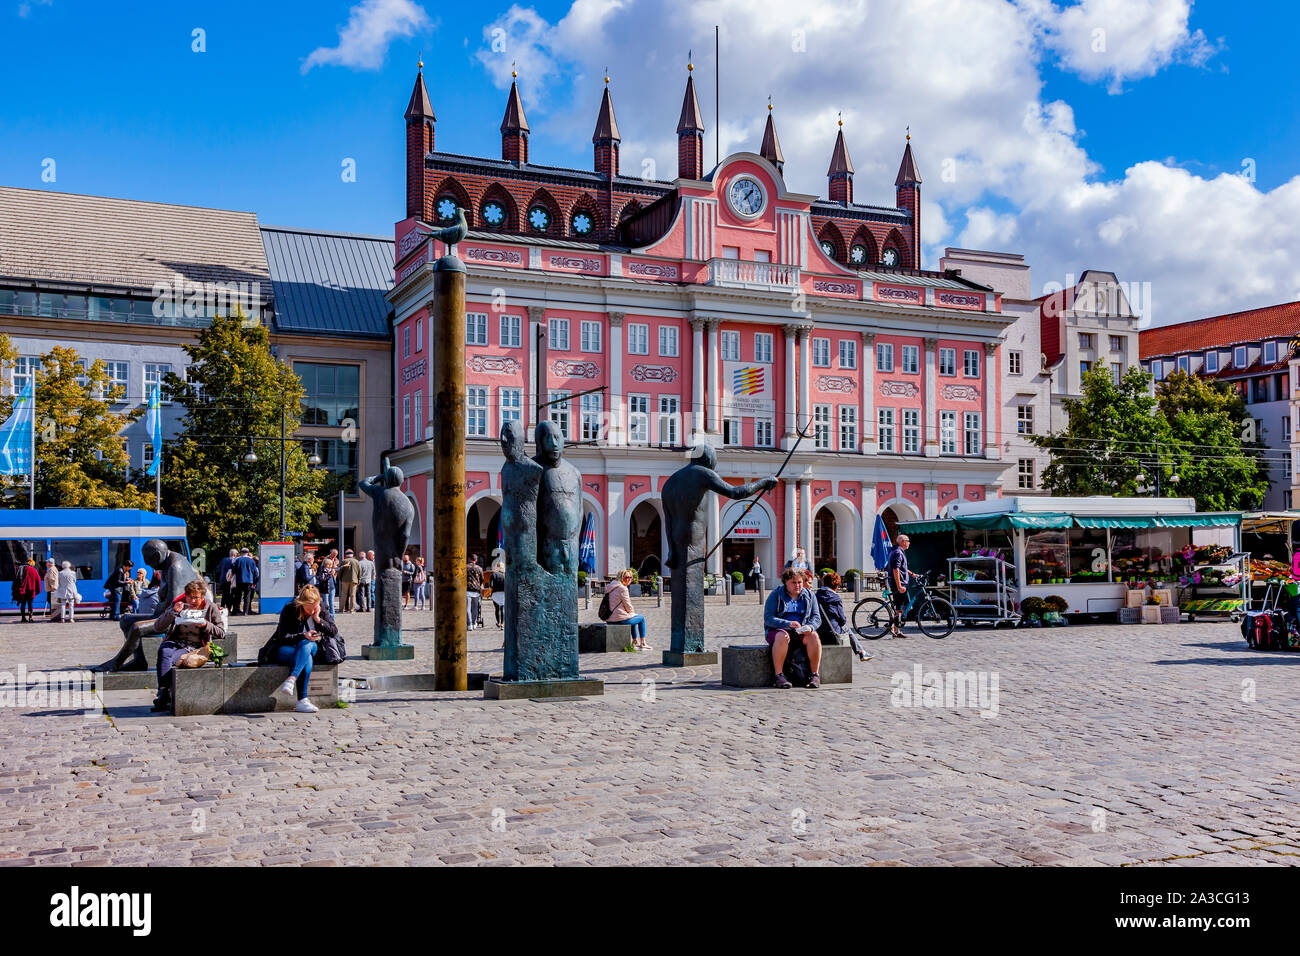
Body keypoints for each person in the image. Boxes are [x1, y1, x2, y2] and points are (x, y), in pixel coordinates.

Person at [150, 579, 225, 713]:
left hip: (196, 646)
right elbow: (157, 627)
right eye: (189, 597)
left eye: (196, 598)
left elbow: (221, 632)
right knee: (164, 651)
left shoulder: (210, 607)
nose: (192, 601)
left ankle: (166, 694)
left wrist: (206, 625)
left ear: (202, 597)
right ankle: (163, 692)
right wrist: (172, 612)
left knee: (171, 658)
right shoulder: (178, 604)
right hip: (176, 642)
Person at [260, 585, 336, 714]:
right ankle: (302, 701)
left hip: (312, 647)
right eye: (309, 609)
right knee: (307, 657)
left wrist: (318, 619)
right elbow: (282, 637)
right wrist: (303, 635)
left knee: (307, 645)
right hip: (286, 649)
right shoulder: (290, 609)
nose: (312, 611)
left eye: (314, 607)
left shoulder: (321, 608)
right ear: (301, 604)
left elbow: (333, 631)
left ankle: (291, 679)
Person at [763, 566, 823, 689]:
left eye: (800, 582)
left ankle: (814, 675)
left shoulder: (809, 595)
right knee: (782, 636)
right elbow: (768, 618)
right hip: (779, 631)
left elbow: (817, 617)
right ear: (786, 582)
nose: (797, 585)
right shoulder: (776, 595)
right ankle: (779, 675)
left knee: (814, 636)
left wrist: (810, 627)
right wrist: (787, 624)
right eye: (793, 583)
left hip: (801, 631)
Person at [814, 571, 871, 662]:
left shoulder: (815, 596)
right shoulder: (835, 598)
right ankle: (861, 652)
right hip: (832, 633)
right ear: (836, 586)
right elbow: (842, 620)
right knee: (845, 628)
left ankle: (861, 652)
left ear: (823, 583)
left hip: (818, 631)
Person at [604, 569, 648, 650]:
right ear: (621, 577)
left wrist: (631, 613)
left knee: (632, 616)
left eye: (630, 577)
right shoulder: (623, 588)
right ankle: (643, 642)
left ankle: (635, 641)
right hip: (619, 619)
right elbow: (628, 605)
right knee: (641, 618)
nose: (629, 579)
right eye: (627, 577)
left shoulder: (610, 587)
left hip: (609, 618)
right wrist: (631, 611)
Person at [886, 534, 918, 637]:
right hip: (898, 584)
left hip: (900, 583)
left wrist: (912, 574)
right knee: (906, 605)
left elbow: (902, 568)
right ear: (903, 542)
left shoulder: (897, 551)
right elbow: (895, 569)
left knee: (899, 607)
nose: (909, 543)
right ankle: (892, 624)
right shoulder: (898, 553)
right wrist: (899, 586)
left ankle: (896, 630)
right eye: (908, 541)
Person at [12, 557, 42, 623]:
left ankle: (23, 618)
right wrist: (37, 590)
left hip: (22, 590)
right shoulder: (33, 570)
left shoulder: (20, 569)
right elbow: (38, 580)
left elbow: (16, 579)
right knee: (30, 604)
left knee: (23, 604)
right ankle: (30, 618)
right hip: (31, 591)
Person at [231, 547, 259, 616]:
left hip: (239, 580)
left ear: (241, 553)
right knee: (247, 596)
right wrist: (255, 581)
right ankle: (245, 612)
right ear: (247, 552)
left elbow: (233, 570)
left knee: (238, 596)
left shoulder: (238, 560)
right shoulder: (251, 560)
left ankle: (236, 611)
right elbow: (255, 572)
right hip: (249, 581)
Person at [465, 554, 483, 628]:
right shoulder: (479, 568)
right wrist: (479, 585)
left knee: (467, 608)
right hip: (476, 590)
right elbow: (482, 579)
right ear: (476, 560)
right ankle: (474, 623)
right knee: (475, 608)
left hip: (467, 589)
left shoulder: (465, 567)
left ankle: (469, 624)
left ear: (469, 559)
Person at [487, 559, 505, 628]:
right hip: (503, 593)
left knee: (497, 609)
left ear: (496, 567)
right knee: (502, 609)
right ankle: (502, 624)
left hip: (495, 593)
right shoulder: (505, 574)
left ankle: (498, 622)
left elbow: (491, 585)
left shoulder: (493, 574)